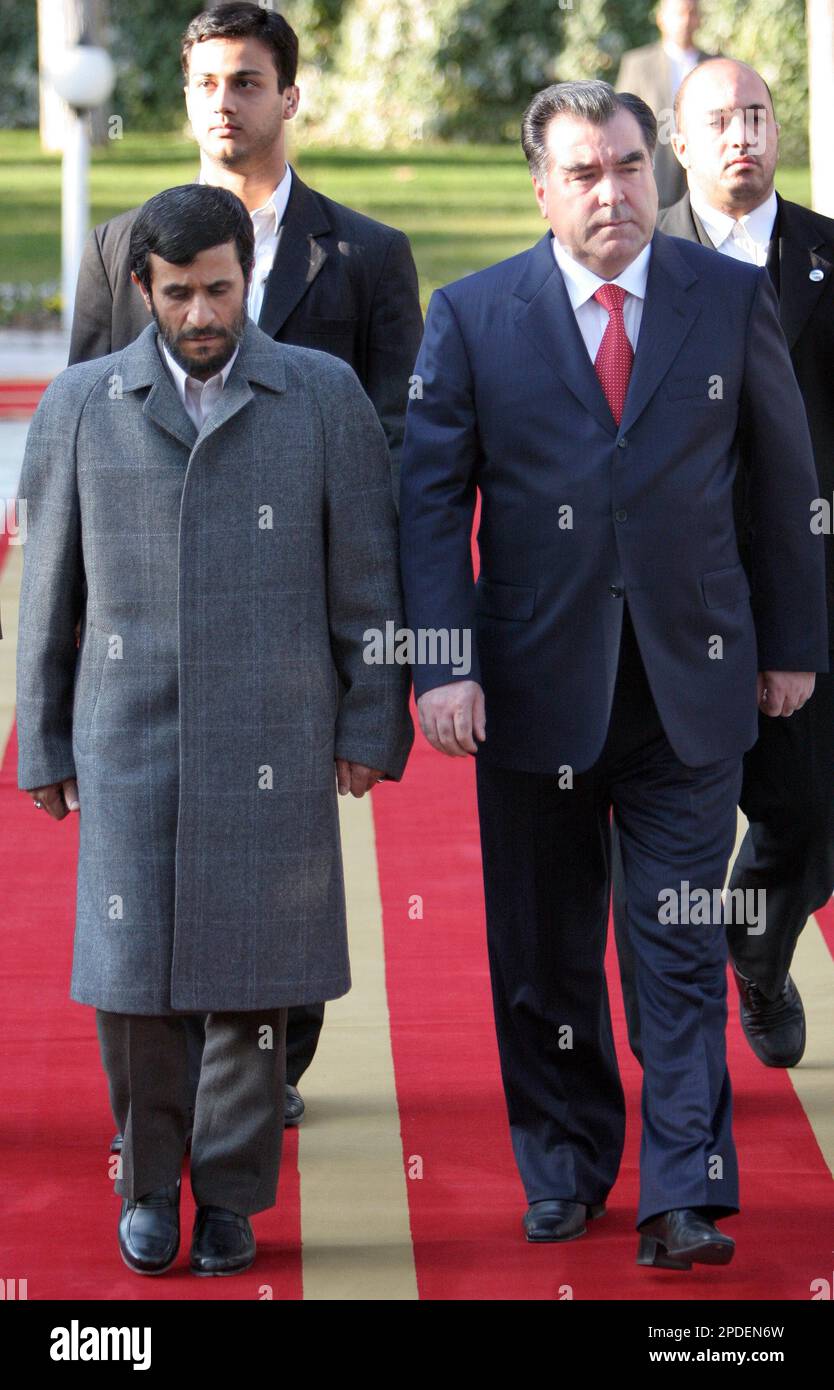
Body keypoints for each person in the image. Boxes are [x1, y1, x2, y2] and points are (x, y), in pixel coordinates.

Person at [398, 79, 827, 1270]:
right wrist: (441, 664)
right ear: (541, 188)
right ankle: (569, 1163)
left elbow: (785, 488)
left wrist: (791, 645)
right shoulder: (474, 317)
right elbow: (431, 508)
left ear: (658, 170)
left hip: (692, 687)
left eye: (630, 166)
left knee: (677, 941)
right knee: (545, 950)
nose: (612, 191)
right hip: (533, 693)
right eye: (583, 172)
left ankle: (685, 1189)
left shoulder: (730, 300)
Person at [16, 184, 413, 1276]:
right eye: (180, 292)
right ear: (142, 287)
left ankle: (233, 1198)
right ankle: (149, 1188)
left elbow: (369, 585)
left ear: (252, 279)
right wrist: (42, 739)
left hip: (274, 737)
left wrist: (372, 717)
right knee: (135, 982)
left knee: (253, 986)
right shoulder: (83, 405)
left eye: (223, 289)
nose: (204, 313)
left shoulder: (322, 396)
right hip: (127, 738)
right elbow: (48, 591)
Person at [68, 2, 423, 1133]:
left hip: (300, 600)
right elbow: (80, 445)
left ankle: (268, 1062)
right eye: (207, 82)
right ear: (186, 99)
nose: (226, 102)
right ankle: (184, 1103)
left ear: (290, 96)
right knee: (155, 850)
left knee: (277, 853)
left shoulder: (366, 253)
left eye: (248, 81)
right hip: (158, 617)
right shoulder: (123, 245)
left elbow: (401, 440)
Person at [612, 58, 834, 1071]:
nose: (742, 132)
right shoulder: (634, 261)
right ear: (680, 143)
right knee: (674, 829)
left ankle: (755, 945)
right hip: (675, 596)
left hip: (811, 586)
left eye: (757, 114)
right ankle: (682, 1053)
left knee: (812, 809)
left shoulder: (829, 256)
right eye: (718, 119)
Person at [616, 0, 713, 208]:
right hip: (656, 169)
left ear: (699, 19)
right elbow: (620, 118)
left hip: (704, 168)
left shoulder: (716, 64)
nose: (686, 20)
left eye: (692, 13)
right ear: (662, 19)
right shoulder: (637, 64)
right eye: (679, 14)